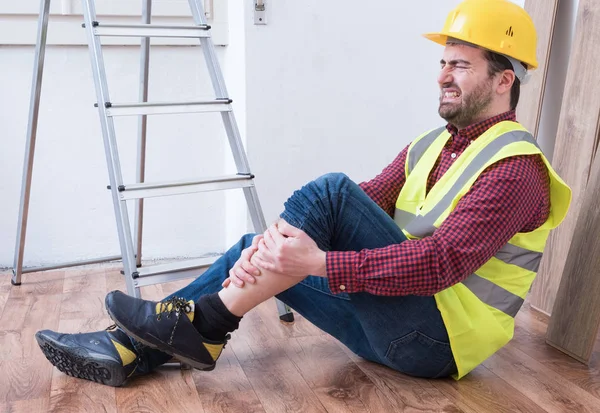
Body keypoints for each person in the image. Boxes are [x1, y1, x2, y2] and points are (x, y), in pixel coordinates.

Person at [35, 0, 571, 387]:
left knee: (327, 198)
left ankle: (207, 323)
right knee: (267, 237)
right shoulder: (433, 145)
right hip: (390, 327)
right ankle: (134, 348)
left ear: (504, 80)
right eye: (442, 62)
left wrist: (318, 263)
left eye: (460, 64)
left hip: (435, 344)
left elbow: (438, 265)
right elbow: (364, 200)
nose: (442, 76)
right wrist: (284, 247)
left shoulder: (516, 170)